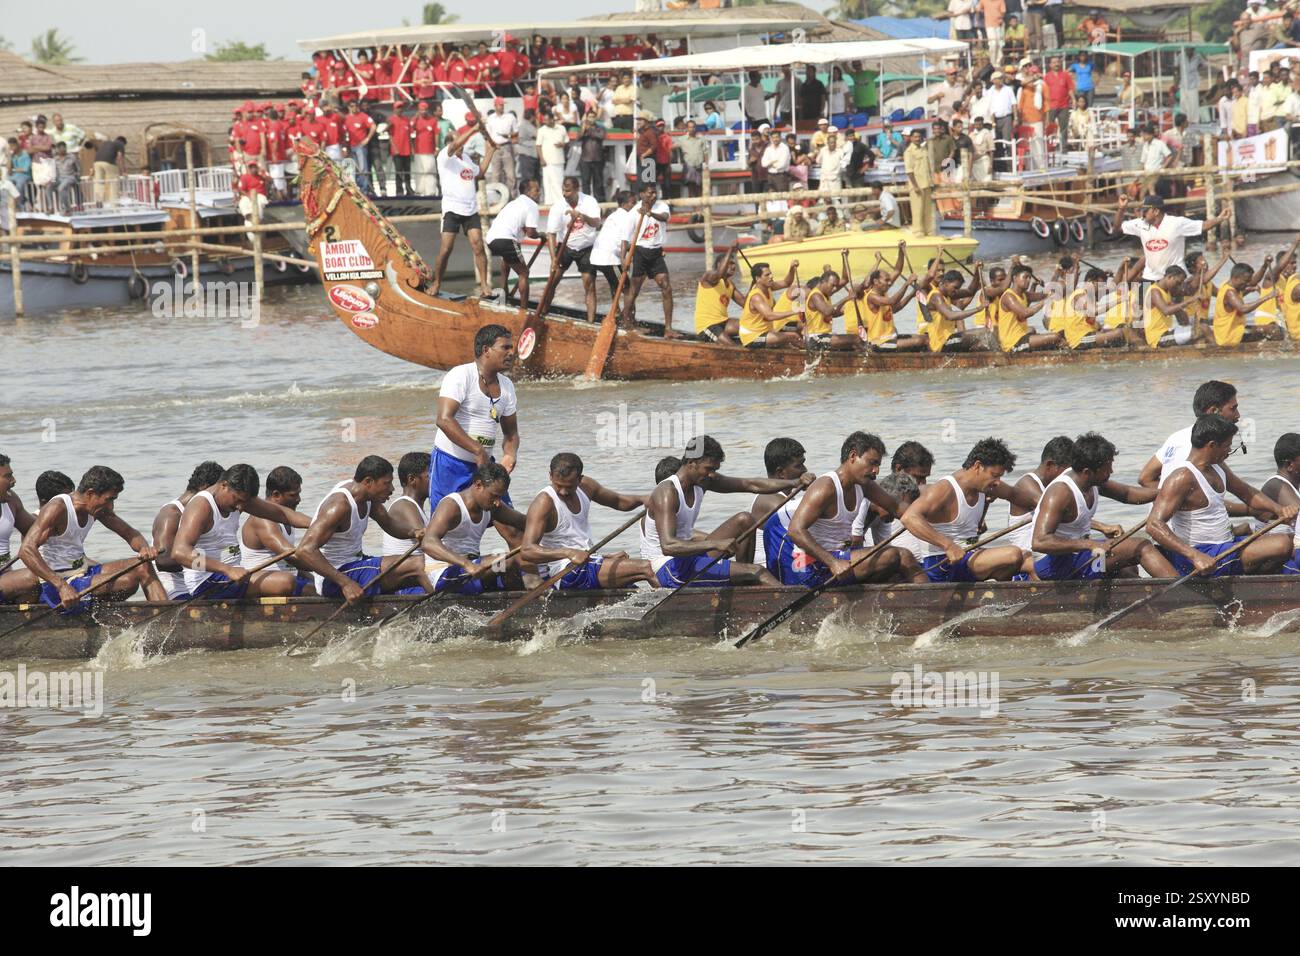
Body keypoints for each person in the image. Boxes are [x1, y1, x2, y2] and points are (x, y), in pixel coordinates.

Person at [639, 436, 803, 589]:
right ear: (691, 462)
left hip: (689, 558)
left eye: (715, 469)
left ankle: (744, 584)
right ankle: (792, 604)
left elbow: (749, 484)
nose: (711, 475)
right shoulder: (667, 492)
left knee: (745, 519)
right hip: (668, 568)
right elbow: (668, 546)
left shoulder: (701, 482)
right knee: (757, 571)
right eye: (708, 469)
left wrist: (795, 482)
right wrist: (715, 544)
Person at [1147, 415, 1297, 576]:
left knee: (1289, 540)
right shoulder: (1183, 477)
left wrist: (1279, 510)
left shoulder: (1217, 467)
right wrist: (1194, 555)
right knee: (1281, 544)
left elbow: (1248, 493)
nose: (1229, 452)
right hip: (1202, 554)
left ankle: (1245, 582)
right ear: (1212, 445)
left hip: (1225, 546)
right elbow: (1153, 525)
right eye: (1227, 446)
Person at [18, 466, 166, 610]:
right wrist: (62, 586)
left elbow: (130, 533)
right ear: (90, 493)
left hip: (83, 571)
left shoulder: (97, 509)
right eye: (109, 499)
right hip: (59, 582)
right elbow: (26, 550)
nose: (111, 506)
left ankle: (166, 616)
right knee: (128, 582)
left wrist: (145, 548)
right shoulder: (58, 508)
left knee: (143, 565)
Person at [1027, 433, 1171, 580]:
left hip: (1076, 556)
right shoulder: (1060, 493)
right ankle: (1182, 594)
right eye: (1107, 468)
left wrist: (1166, 493)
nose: (1111, 471)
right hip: (1054, 566)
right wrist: (1090, 544)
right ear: (1087, 472)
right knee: (1142, 546)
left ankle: (1144, 594)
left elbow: (1127, 494)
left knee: (1128, 565)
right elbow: (1039, 542)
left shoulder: (1089, 481)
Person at [775, 432, 910, 587]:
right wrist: (833, 563)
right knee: (891, 555)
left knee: (903, 562)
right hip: (808, 565)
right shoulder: (826, 487)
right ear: (853, 456)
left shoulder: (864, 485)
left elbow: (897, 508)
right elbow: (795, 530)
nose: (876, 471)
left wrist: (933, 517)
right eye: (872, 463)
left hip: (835, 560)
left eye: (878, 465)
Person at [296, 456, 434, 602]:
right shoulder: (339, 506)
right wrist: (346, 583)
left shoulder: (366, 497)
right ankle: (439, 610)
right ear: (368, 482)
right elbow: (304, 550)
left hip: (356, 564)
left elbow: (388, 523)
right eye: (387, 483)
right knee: (418, 564)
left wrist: (414, 532)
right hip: (334, 579)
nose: (392, 489)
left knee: (422, 569)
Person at [429, 324, 520, 547]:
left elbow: (511, 434)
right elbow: (444, 419)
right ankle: (444, 575)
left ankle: (532, 578)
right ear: (486, 349)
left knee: (513, 530)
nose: (512, 352)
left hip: (484, 467)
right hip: (451, 465)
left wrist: (510, 455)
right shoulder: (460, 375)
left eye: (512, 347)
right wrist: (477, 450)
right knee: (447, 531)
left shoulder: (507, 386)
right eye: (505, 347)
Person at [900, 438, 1037, 582]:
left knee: (1030, 561)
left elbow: (1015, 495)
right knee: (1013, 554)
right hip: (943, 563)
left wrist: (1049, 508)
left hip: (969, 558)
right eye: (995, 475)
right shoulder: (945, 489)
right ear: (978, 466)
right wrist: (948, 545)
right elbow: (909, 518)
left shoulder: (987, 486)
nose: (998, 481)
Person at [169, 464, 311, 600]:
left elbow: (281, 513)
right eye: (238, 500)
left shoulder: (238, 498)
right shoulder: (201, 506)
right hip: (206, 582)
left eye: (245, 502)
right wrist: (226, 569)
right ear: (224, 485)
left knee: (310, 589)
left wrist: (318, 524)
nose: (240, 506)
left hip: (233, 575)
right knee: (285, 582)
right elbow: (180, 553)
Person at [520, 453, 654, 590]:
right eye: (558, 485)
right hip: (564, 571)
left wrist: (642, 499)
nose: (563, 491)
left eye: (569, 486)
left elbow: (618, 501)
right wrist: (568, 553)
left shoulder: (587, 486)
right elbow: (527, 550)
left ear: (580, 479)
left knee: (634, 589)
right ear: (550, 475)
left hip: (586, 561)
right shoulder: (544, 502)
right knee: (647, 568)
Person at [420, 462, 524, 594]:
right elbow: (428, 543)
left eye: (500, 497)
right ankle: (523, 608)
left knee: (511, 563)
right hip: (443, 574)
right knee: (507, 561)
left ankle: (519, 603)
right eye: (494, 496)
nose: (497, 502)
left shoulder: (492, 506)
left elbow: (524, 522)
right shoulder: (452, 506)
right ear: (478, 485)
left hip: (473, 570)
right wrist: (466, 564)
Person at [430, 112, 496, 298]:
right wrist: (474, 129)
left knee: (478, 246)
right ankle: (436, 283)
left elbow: (480, 172)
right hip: (452, 209)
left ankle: (484, 286)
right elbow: (454, 145)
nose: (461, 144)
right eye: (457, 141)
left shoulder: (466, 159)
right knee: (446, 250)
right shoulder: (444, 156)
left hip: (470, 209)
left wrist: (490, 150)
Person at [1115, 194, 1229, 297]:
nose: (1142, 214)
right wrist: (1121, 209)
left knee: (1177, 312)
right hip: (1150, 276)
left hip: (1175, 278)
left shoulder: (1176, 223)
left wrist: (1220, 218)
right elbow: (1117, 228)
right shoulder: (1140, 224)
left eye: (1145, 211)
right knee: (1142, 313)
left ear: (1155, 211)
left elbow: (1202, 226)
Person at [239, 464, 317, 594]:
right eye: (293, 495)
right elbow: (293, 557)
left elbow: (296, 565)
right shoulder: (262, 519)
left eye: (299, 494)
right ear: (276, 495)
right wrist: (330, 566)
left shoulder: (287, 517)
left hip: (287, 579)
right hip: (263, 584)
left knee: (325, 585)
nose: (298, 499)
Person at [1004, 435, 1075, 553]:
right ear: (1050, 465)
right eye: (1066, 471)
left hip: (1050, 550)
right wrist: (1101, 527)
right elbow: (1060, 512)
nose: (1070, 477)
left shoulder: (1057, 487)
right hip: (1028, 555)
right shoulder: (1026, 485)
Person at [620, 182, 675, 335]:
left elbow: (664, 218)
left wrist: (650, 214)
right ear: (642, 195)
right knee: (634, 290)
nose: (654, 196)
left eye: (655, 193)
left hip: (656, 252)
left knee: (666, 288)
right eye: (650, 193)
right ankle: (626, 323)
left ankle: (668, 328)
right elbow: (624, 239)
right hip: (640, 253)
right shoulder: (633, 213)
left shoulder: (661, 206)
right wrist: (623, 259)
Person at [547, 176, 603, 323]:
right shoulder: (557, 207)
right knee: (552, 281)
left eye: (569, 191)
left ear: (577, 189)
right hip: (565, 248)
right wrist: (553, 258)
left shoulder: (589, 201)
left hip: (586, 248)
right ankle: (543, 314)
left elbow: (597, 223)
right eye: (564, 191)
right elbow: (551, 234)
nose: (565, 194)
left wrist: (583, 217)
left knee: (589, 285)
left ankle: (590, 322)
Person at [484, 178, 542, 309]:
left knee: (506, 262)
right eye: (536, 190)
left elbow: (518, 235)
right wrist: (541, 235)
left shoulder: (513, 203)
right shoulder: (531, 205)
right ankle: (523, 309)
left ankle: (504, 298)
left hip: (491, 239)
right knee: (524, 273)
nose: (539, 193)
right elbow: (531, 233)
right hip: (505, 239)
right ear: (528, 192)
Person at [0, 453, 38, 605]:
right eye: (8, 476)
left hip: (6, 577)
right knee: (33, 578)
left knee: (47, 574)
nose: (13, 481)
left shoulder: (11, 500)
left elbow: (34, 530)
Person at [738, 261, 804, 349]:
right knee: (793, 336)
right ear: (757, 279)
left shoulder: (768, 287)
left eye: (771, 273)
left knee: (791, 345)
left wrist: (791, 268)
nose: (771, 277)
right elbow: (770, 316)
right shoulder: (756, 297)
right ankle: (811, 355)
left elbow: (786, 282)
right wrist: (794, 311)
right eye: (767, 275)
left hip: (766, 332)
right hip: (752, 337)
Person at [997, 263, 1063, 351]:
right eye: (1025, 277)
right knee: (1056, 337)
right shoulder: (1008, 297)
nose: (1028, 280)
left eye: (1029, 278)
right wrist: (1047, 300)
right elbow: (1025, 313)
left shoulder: (1025, 295)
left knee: (1034, 330)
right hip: (1013, 343)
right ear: (1015, 278)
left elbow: (1046, 294)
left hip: (1022, 337)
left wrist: (1056, 275)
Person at [1214, 260, 1278, 346]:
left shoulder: (1229, 285)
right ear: (1235, 278)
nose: (1248, 284)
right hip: (1230, 336)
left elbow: (1253, 282)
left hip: (1233, 331)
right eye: (1246, 281)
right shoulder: (1230, 292)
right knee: (1273, 330)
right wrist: (1268, 296)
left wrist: (1264, 266)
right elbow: (1243, 308)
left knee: (1269, 328)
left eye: (1248, 281)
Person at [694, 244, 745, 344]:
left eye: (734, 264)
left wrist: (755, 284)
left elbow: (745, 303)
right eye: (729, 263)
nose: (733, 266)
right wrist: (730, 249)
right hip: (707, 326)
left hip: (724, 323)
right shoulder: (709, 277)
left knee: (748, 326)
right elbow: (719, 274)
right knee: (732, 347)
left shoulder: (730, 285)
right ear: (719, 265)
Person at [590, 188, 636, 295]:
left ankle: (617, 311)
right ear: (624, 204)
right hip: (609, 258)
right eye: (633, 203)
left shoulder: (612, 215)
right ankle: (625, 311)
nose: (636, 206)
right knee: (626, 288)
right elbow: (623, 243)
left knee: (616, 285)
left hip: (599, 257)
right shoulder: (628, 217)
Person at [483, 97, 518, 195]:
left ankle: (512, 195)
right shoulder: (490, 119)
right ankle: (496, 196)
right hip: (495, 147)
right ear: (495, 106)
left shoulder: (510, 117)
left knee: (510, 174)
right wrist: (491, 146)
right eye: (500, 105)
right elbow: (487, 135)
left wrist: (509, 135)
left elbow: (516, 132)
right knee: (496, 174)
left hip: (506, 145)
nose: (502, 107)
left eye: (502, 105)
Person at [903, 129, 935, 235]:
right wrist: (915, 186)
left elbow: (928, 167)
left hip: (927, 183)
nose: (917, 139)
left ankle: (929, 230)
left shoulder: (924, 149)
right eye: (915, 137)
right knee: (917, 210)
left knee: (928, 210)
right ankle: (918, 230)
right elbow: (909, 171)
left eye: (919, 136)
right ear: (911, 138)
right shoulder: (908, 152)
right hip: (917, 185)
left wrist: (932, 182)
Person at [536, 111, 568, 206]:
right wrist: (541, 159)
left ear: (552, 119)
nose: (545, 122)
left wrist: (562, 144)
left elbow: (566, 141)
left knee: (558, 181)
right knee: (547, 182)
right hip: (546, 161)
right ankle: (549, 202)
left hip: (558, 160)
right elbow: (538, 145)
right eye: (544, 120)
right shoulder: (541, 130)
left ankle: (560, 202)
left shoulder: (561, 128)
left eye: (546, 120)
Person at [577, 111, 607, 201]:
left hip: (598, 158)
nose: (591, 118)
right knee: (585, 182)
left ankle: (600, 201)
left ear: (596, 118)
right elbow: (578, 137)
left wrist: (589, 130)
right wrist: (583, 128)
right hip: (585, 159)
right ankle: (586, 201)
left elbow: (601, 136)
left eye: (593, 116)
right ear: (586, 117)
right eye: (589, 117)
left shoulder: (600, 128)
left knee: (598, 182)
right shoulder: (583, 128)